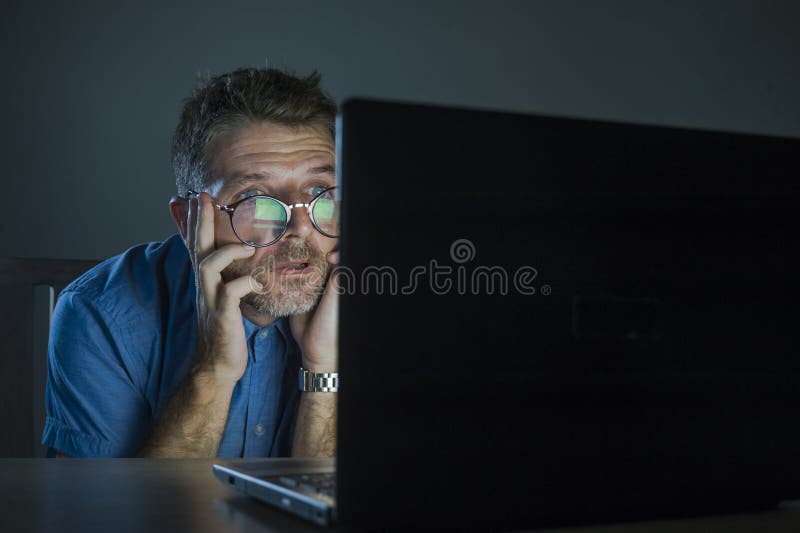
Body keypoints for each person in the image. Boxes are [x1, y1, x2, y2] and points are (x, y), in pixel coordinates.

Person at [42, 67, 339, 458]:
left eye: (320, 191)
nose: (301, 227)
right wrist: (213, 370)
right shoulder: (98, 313)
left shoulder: (373, 300)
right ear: (188, 221)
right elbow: (109, 516)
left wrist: (322, 371)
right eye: (255, 199)